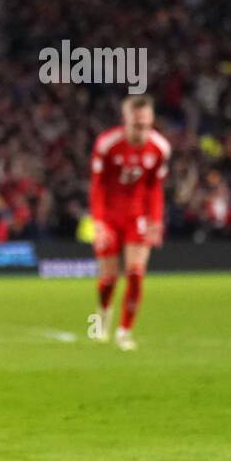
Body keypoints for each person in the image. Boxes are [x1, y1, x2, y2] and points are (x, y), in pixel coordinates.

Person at [89, 96, 170, 351]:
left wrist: (156, 221)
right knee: (110, 278)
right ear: (126, 121)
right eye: (137, 126)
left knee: (135, 275)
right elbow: (98, 186)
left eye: (146, 125)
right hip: (110, 217)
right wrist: (99, 223)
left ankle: (125, 331)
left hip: (138, 217)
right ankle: (103, 315)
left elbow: (155, 187)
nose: (142, 131)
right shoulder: (107, 144)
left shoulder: (160, 148)